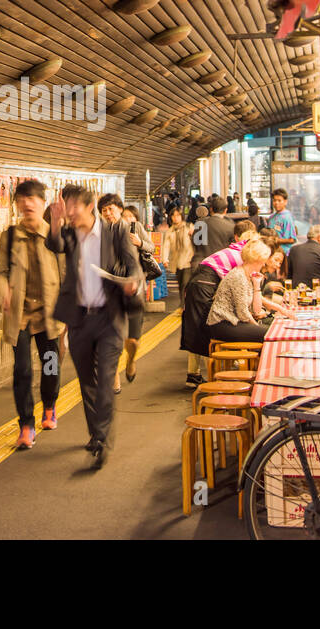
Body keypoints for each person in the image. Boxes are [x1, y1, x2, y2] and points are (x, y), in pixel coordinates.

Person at [46, 185, 143, 469]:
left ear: (90, 207)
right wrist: (55, 221)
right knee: (86, 382)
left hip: (109, 318)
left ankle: (102, 440)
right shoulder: (69, 234)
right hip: (79, 319)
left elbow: (134, 266)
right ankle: (96, 433)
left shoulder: (116, 232)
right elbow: (54, 245)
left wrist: (132, 283)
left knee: (104, 383)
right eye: (66, 206)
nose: (70, 211)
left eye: (74, 206)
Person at [0, 179, 65, 451]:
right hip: (20, 316)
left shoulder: (55, 235)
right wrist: (4, 291)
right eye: (22, 199)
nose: (27, 203)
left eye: (32, 198)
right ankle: (26, 425)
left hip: (48, 314)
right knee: (22, 370)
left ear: (42, 202)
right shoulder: (9, 236)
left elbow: (65, 274)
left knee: (50, 366)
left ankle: (49, 405)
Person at [178, 219, 259, 386]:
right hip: (204, 286)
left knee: (198, 327)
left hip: (199, 283)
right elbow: (241, 290)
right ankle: (215, 377)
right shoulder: (241, 257)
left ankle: (197, 374)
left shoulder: (234, 250)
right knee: (207, 328)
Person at [99, 197, 154, 391]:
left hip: (133, 289)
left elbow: (151, 247)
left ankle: (130, 361)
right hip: (110, 291)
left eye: (111, 209)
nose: (107, 213)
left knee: (132, 340)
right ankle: (114, 378)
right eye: (104, 210)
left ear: (120, 210)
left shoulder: (134, 227)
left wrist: (140, 243)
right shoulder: (100, 232)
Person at [206, 238, 279, 343]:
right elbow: (243, 314)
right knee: (271, 334)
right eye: (263, 261)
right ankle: (262, 358)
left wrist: (257, 285)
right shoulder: (238, 276)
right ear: (256, 260)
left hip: (234, 322)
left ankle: (260, 358)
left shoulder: (247, 275)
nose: (263, 265)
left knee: (272, 330)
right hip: (223, 324)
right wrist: (257, 326)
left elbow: (256, 310)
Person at [192, 193, 236, 264]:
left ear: (211, 209)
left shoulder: (200, 223)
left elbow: (195, 243)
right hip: (222, 262)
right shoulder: (231, 225)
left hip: (203, 262)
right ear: (225, 210)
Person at [161, 206, 195, 300]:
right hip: (177, 262)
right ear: (170, 217)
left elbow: (198, 242)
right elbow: (166, 246)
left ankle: (184, 304)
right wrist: (165, 259)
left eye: (178, 215)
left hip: (188, 261)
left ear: (182, 216)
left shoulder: (189, 227)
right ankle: (183, 304)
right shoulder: (170, 231)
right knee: (180, 285)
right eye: (173, 215)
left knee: (185, 284)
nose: (176, 217)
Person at [286, 224, 320, 288]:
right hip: (319, 291)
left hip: (297, 288)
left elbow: (289, 273)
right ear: (319, 237)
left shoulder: (294, 249)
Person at [265, 188, 297, 255]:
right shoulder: (271, 217)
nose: (276, 203)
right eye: (274, 200)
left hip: (283, 254)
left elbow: (292, 240)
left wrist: (276, 240)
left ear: (285, 202)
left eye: (279, 200)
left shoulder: (287, 217)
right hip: (271, 252)